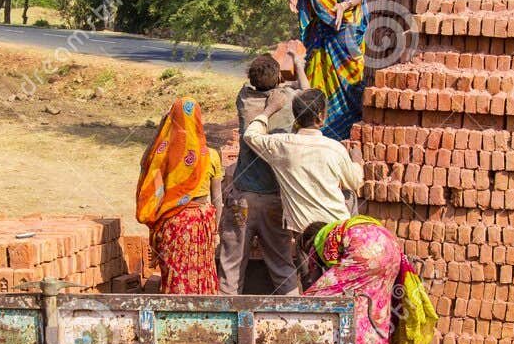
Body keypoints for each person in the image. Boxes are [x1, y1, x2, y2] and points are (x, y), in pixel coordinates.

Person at [298, 216, 436, 344]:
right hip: (391, 250)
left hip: (365, 251)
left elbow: (318, 283)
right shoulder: (343, 228)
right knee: (378, 309)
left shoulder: (318, 242)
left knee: (315, 297)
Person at [218, 50, 307, 294]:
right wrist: (298, 66)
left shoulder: (244, 98)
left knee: (231, 266)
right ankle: (294, 319)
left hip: (242, 198)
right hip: (274, 200)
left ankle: (227, 319)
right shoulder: (288, 100)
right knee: (282, 265)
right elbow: (308, 93)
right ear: (279, 78)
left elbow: (259, 86)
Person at [242, 87, 363, 236]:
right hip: (334, 228)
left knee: (306, 259)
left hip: (302, 230)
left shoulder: (282, 145)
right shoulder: (335, 149)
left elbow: (250, 135)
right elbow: (355, 183)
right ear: (320, 116)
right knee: (349, 196)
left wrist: (269, 110)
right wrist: (357, 161)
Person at [288, 0, 367, 141]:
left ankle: (350, 134)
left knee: (354, 78)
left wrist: (343, 5)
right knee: (317, 80)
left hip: (345, 32)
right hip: (322, 34)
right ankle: (316, 131)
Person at [136, 96, 222, 294]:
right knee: (203, 270)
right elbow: (218, 198)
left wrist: (160, 130)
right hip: (203, 220)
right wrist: (215, 228)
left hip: (174, 221)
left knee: (176, 273)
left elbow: (146, 164)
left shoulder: (164, 154)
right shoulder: (210, 155)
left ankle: (173, 311)